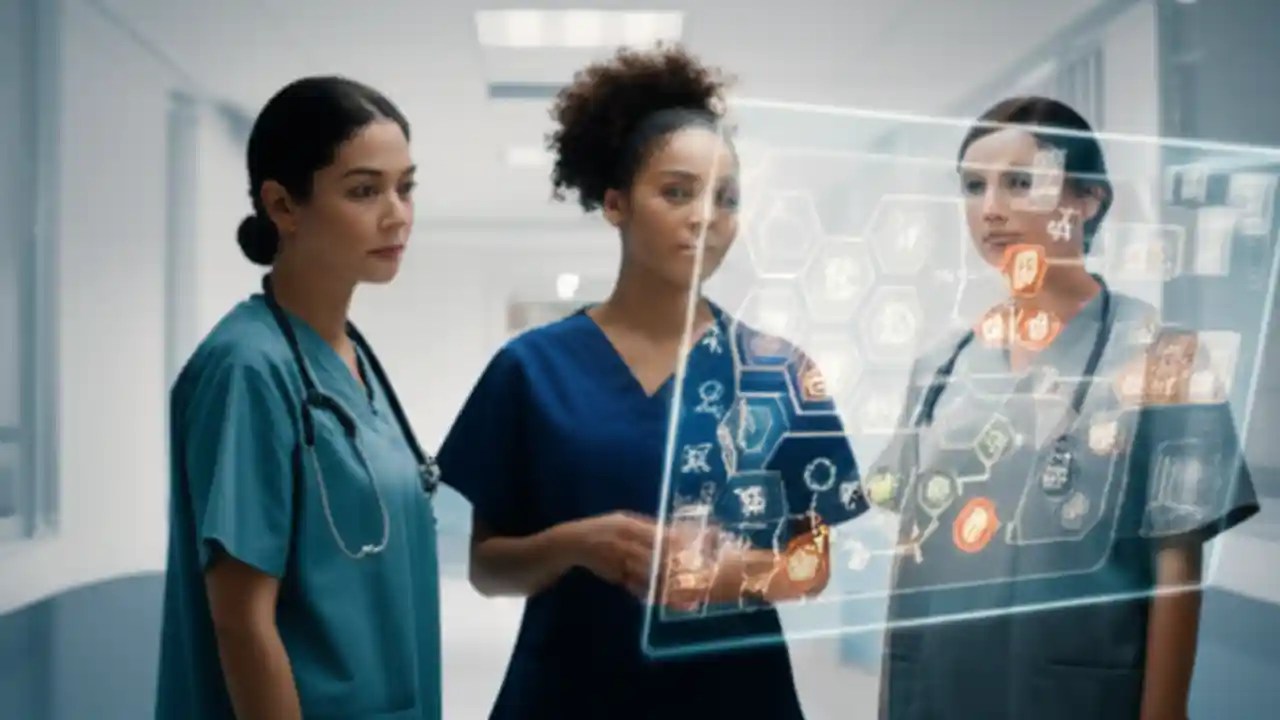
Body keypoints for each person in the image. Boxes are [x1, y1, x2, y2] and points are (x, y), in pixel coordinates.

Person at [437, 45, 869, 719]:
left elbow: (813, 564)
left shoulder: (780, 373)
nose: (706, 217)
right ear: (616, 203)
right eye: (677, 192)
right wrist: (576, 545)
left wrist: (729, 574)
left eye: (726, 198)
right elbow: (489, 567)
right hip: (569, 694)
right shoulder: (529, 370)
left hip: (734, 697)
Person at [861, 96, 1261, 720]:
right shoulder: (939, 367)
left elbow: (1177, 569)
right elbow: (909, 556)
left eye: (1020, 182)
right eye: (973, 186)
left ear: (1086, 200)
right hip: (935, 692)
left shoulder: (1168, 358)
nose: (991, 208)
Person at [155, 76, 443, 720]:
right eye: (365, 190)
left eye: (406, 186)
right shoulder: (248, 368)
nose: (397, 213)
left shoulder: (353, 356)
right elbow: (241, 622)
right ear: (283, 205)